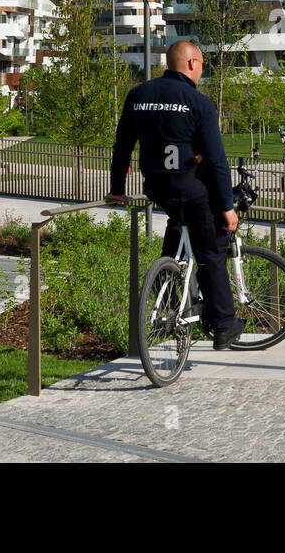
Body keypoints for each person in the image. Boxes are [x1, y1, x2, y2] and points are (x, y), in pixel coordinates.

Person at [106, 40, 244, 350]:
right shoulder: (199, 103)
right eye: (203, 65)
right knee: (211, 248)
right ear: (192, 63)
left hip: (156, 187)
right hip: (190, 187)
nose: (202, 71)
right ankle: (223, 326)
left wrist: (117, 190)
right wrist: (226, 207)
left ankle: (168, 289)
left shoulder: (138, 95)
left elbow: (123, 147)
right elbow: (217, 161)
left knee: (178, 225)